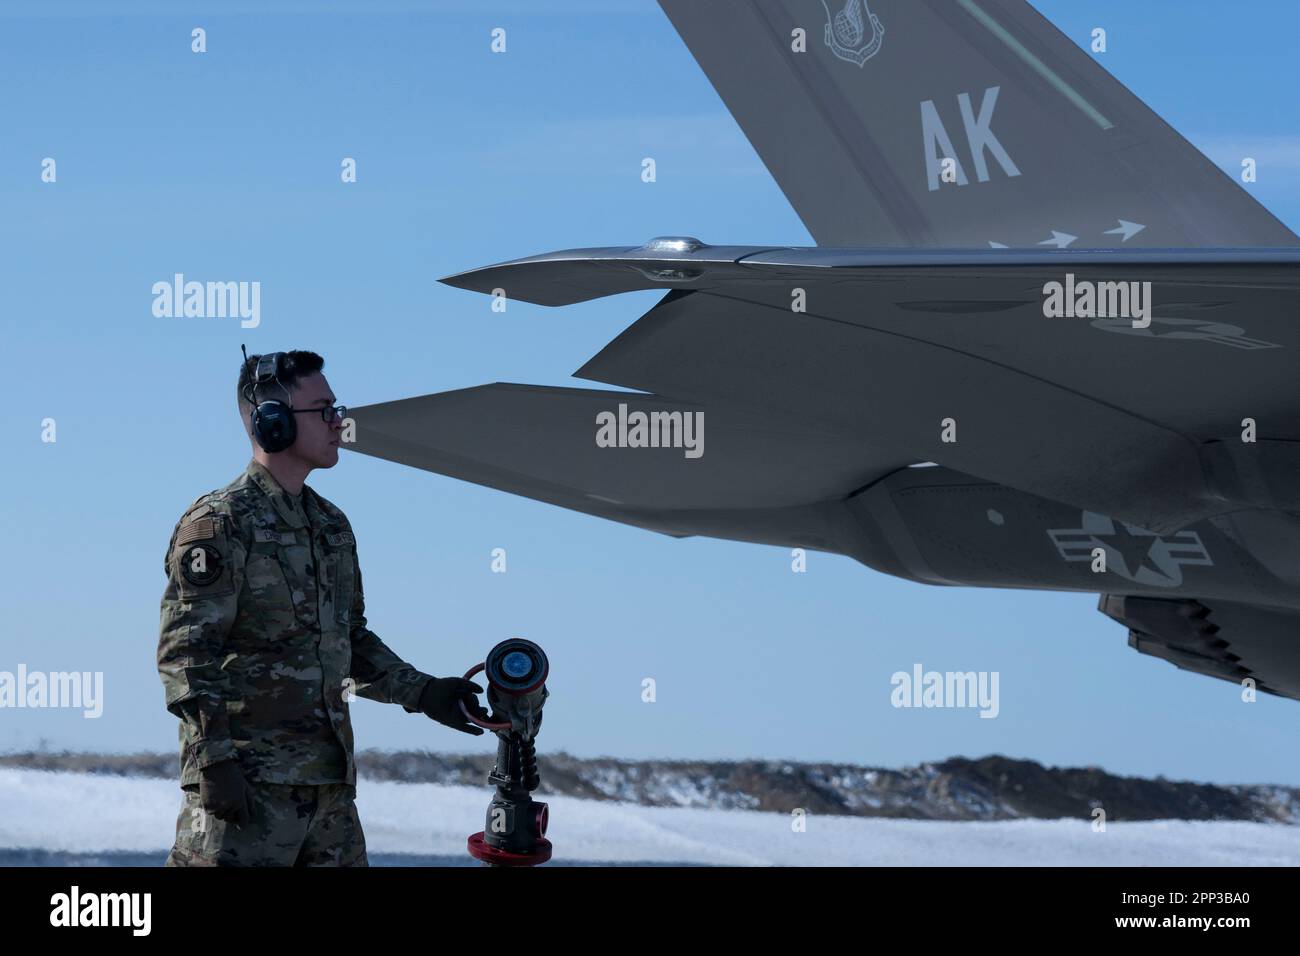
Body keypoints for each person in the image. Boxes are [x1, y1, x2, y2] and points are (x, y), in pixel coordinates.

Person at [158, 349, 489, 866]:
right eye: (326, 410)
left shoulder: (331, 526)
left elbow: (349, 642)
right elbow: (186, 656)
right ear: (274, 422)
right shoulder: (220, 524)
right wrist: (213, 762)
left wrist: (426, 693)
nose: (341, 422)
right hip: (246, 794)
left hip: (329, 794)